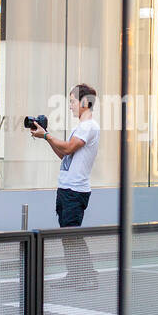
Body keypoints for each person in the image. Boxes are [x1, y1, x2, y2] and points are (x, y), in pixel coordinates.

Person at [31, 84, 101, 289]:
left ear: (84, 103)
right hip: (66, 189)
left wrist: (46, 136)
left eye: (72, 101)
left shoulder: (90, 127)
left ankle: (88, 278)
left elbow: (69, 147)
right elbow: (64, 154)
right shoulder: (79, 127)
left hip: (75, 190)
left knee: (72, 235)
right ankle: (75, 275)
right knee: (67, 235)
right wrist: (47, 136)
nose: (70, 105)